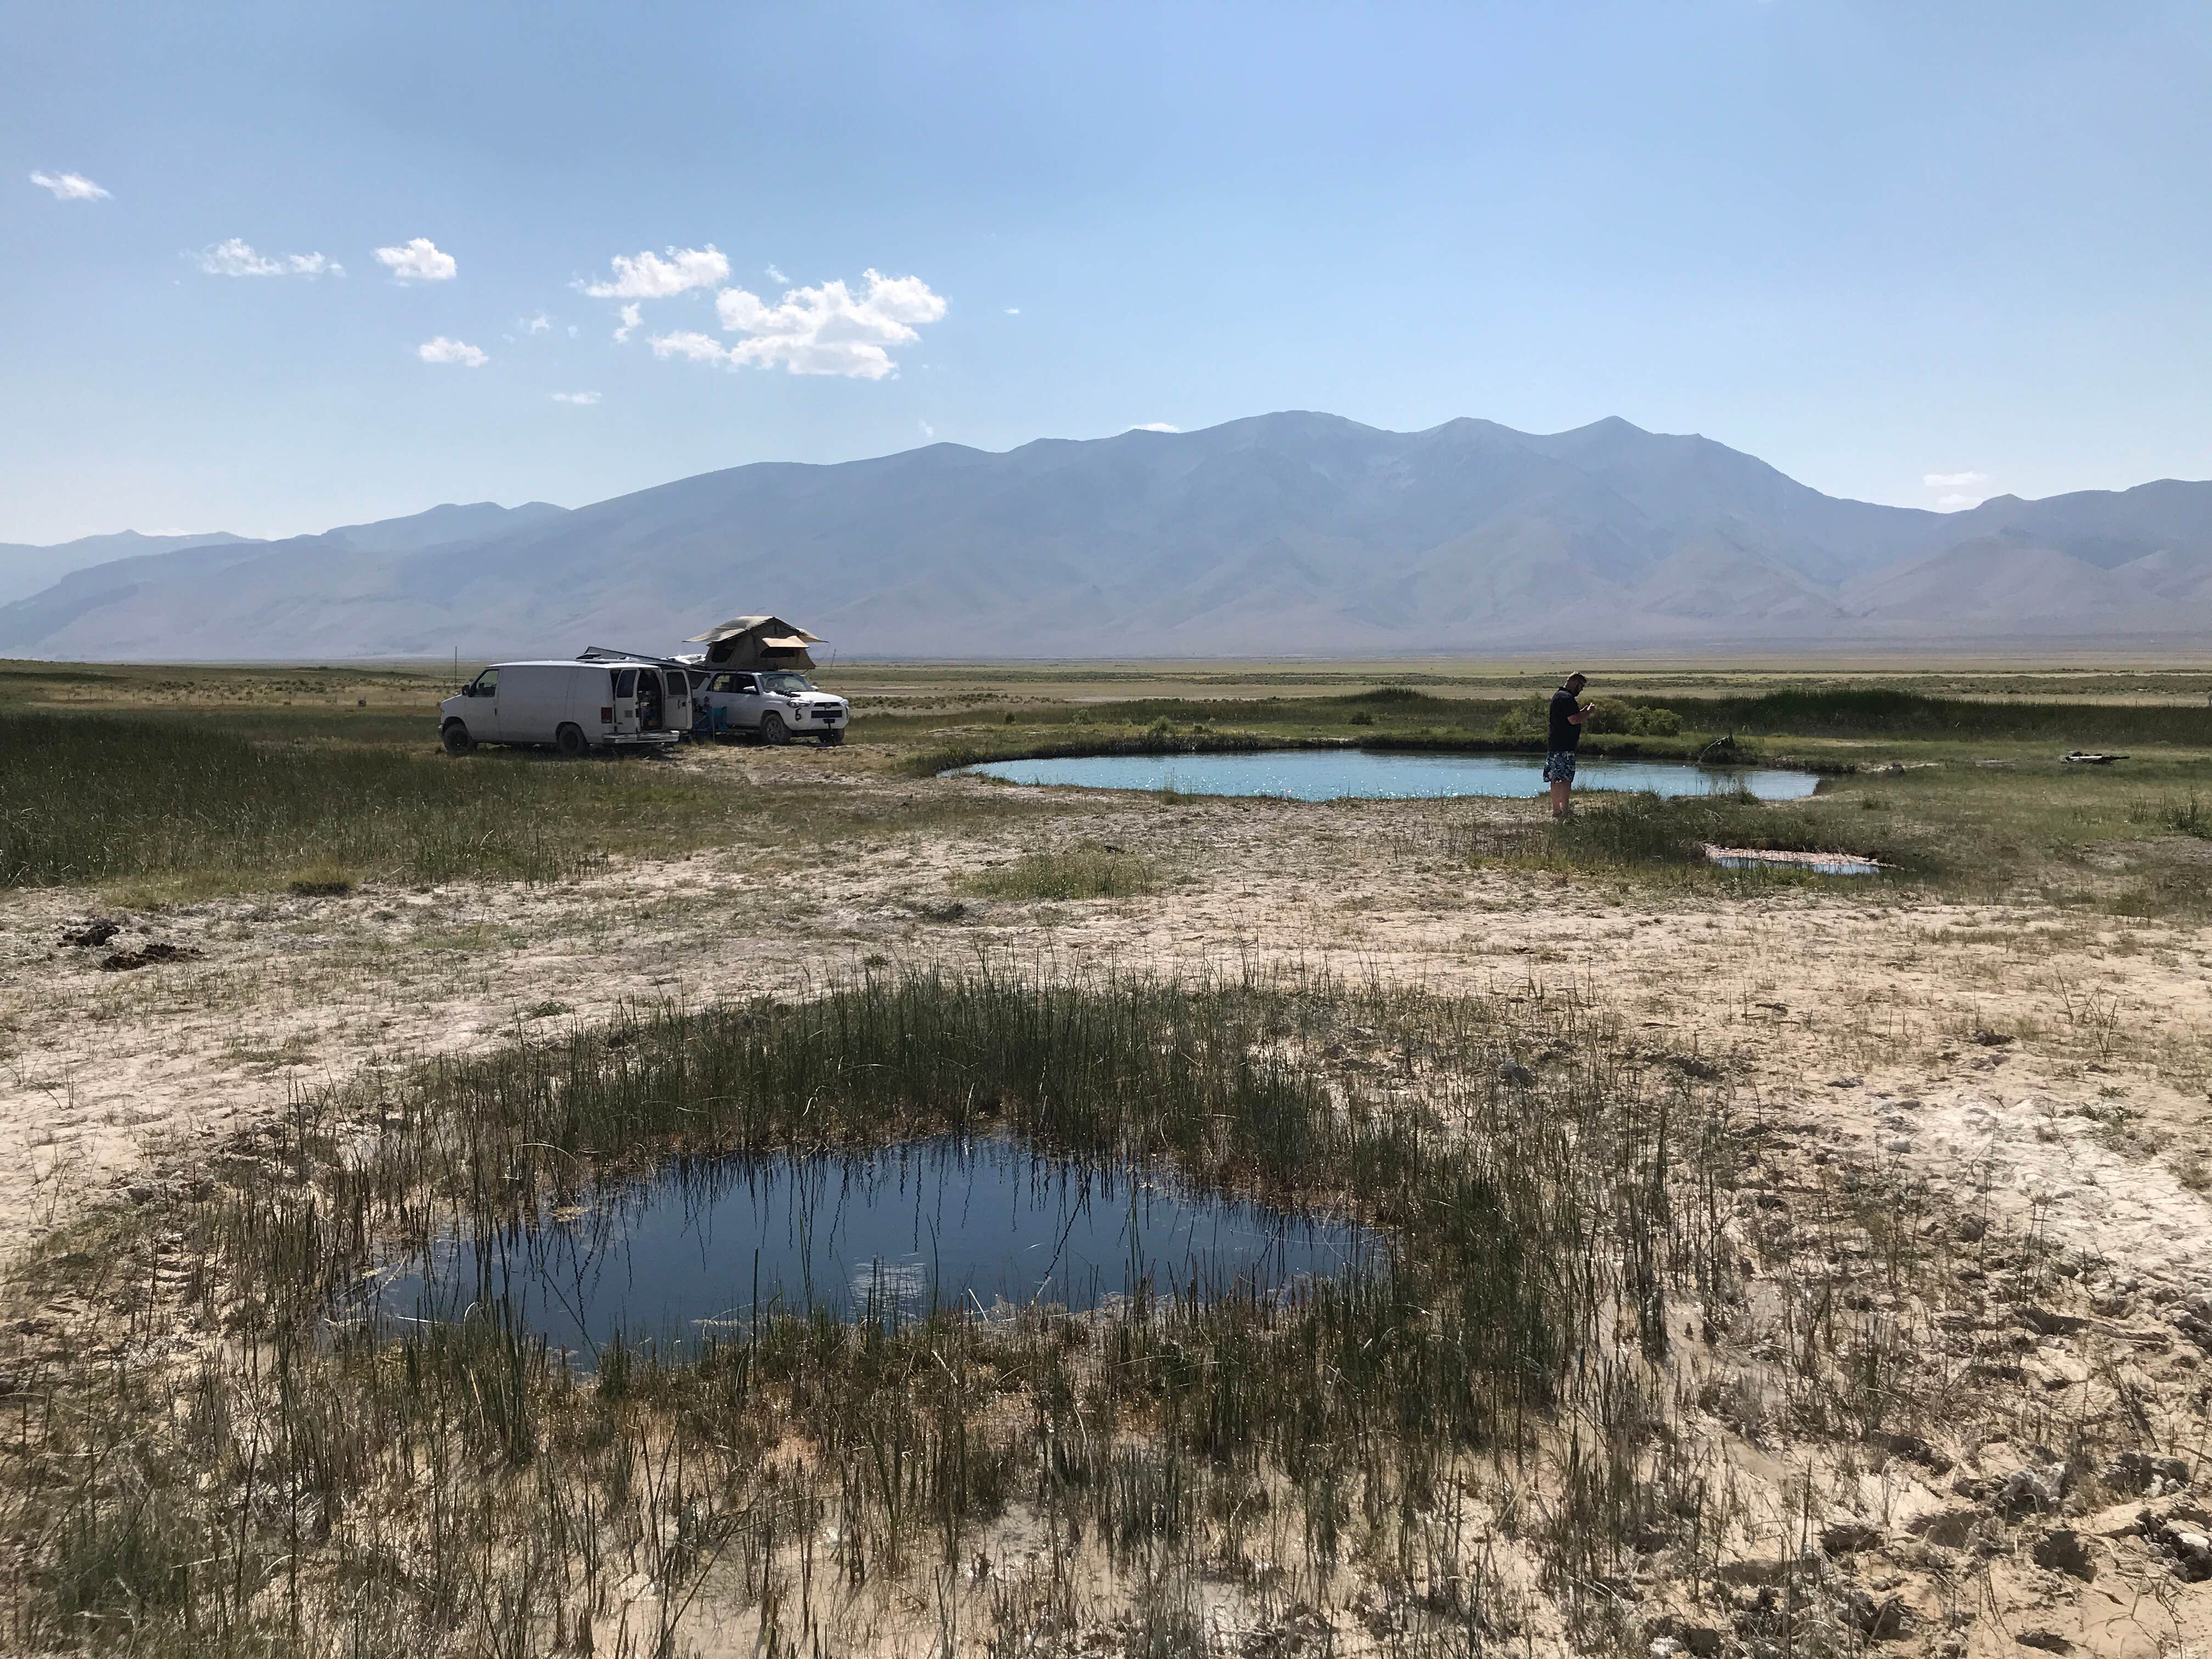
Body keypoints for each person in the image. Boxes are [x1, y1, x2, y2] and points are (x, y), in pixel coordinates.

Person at [1545, 672, 1591, 819]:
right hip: (1565, 747)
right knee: (1565, 778)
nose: (1581, 690)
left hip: (1555, 745)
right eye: (1581, 686)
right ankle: (1565, 810)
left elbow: (1572, 716)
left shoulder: (1558, 696)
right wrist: (1589, 712)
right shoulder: (1567, 698)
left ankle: (1556, 810)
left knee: (1555, 778)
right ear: (1575, 683)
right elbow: (1574, 720)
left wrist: (1582, 711)